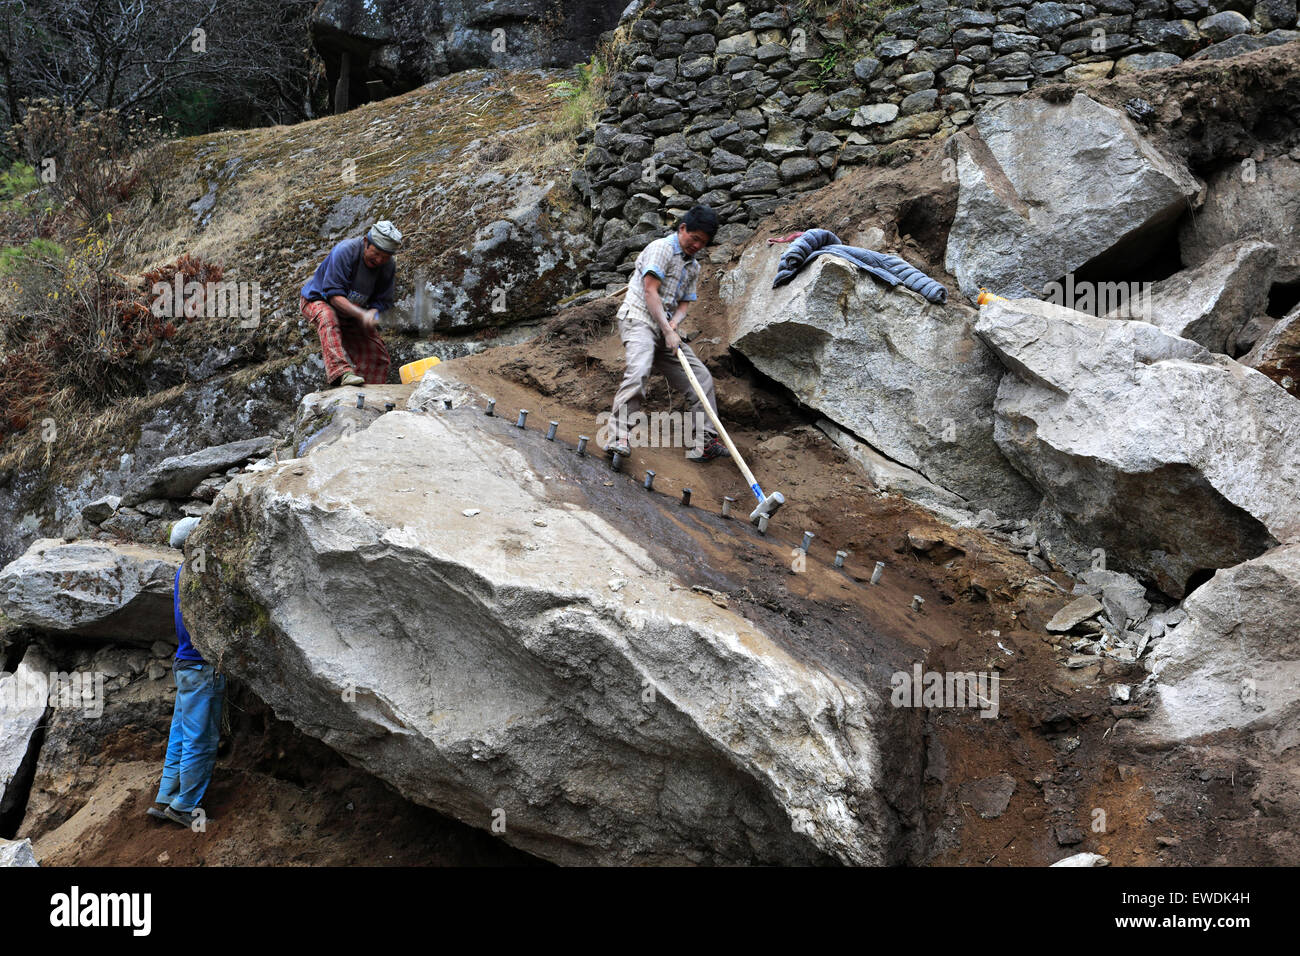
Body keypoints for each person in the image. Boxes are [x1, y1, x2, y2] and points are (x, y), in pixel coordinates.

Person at [607, 205, 729, 462]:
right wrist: (667, 329)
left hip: (664, 328)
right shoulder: (661, 248)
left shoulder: (693, 266)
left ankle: (704, 441)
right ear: (682, 228)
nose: (697, 245)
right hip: (639, 319)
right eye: (694, 238)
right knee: (639, 370)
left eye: (703, 243)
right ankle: (618, 437)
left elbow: (684, 303)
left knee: (701, 379)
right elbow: (650, 291)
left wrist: (673, 325)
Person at [148, 516, 226, 830]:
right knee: (202, 737)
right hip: (201, 666)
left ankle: (166, 798)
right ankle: (185, 806)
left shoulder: (183, 570)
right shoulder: (199, 569)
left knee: (180, 734)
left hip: (185, 665)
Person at [300, 220, 402, 387]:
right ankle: (342, 373)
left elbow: (382, 300)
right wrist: (362, 314)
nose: (378, 260)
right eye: (375, 253)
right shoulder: (346, 251)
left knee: (377, 355)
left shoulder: (388, 266)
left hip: (351, 311)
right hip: (317, 300)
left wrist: (374, 313)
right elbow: (334, 296)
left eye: (385, 257)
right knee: (328, 316)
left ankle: (369, 393)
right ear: (365, 242)